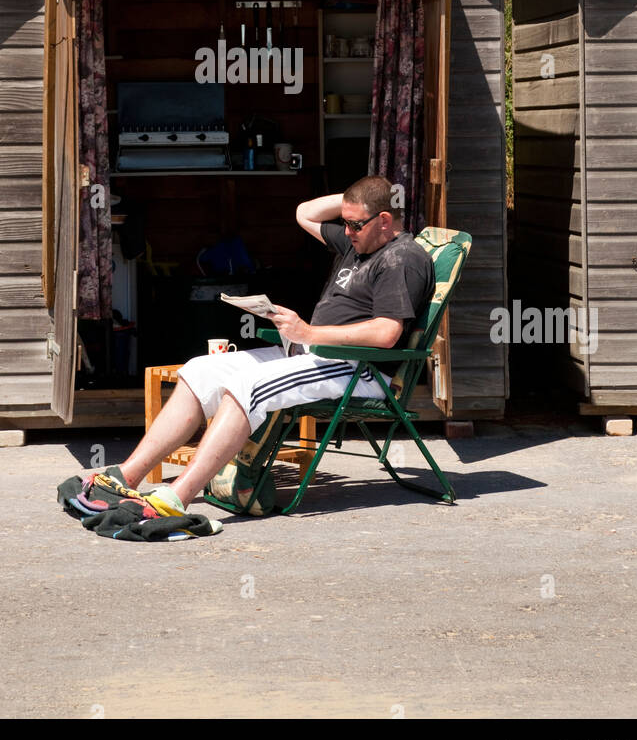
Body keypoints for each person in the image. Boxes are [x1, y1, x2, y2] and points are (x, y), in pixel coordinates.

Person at [96, 175, 435, 517]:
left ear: (385, 221)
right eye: (344, 222)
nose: (346, 231)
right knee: (199, 370)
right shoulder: (358, 241)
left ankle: (175, 497)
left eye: (354, 224)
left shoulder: (400, 258)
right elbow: (306, 213)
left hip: (356, 369)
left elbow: (386, 332)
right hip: (312, 354)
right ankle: (126, 475)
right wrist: (356, 201)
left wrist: (309, 333)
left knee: (247, 386)